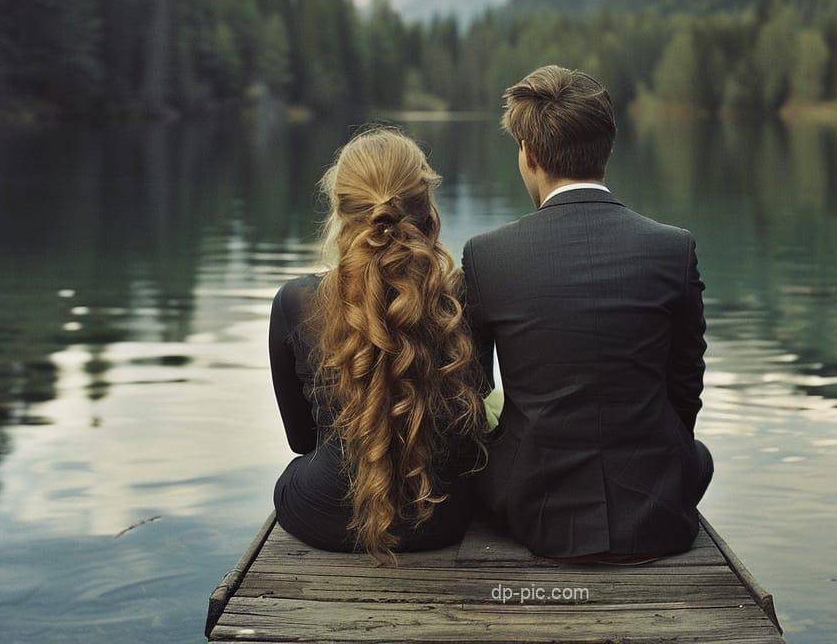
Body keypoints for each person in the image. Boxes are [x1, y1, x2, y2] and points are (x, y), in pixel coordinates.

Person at [461, 64, 714, 561]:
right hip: (657, 512)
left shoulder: (487, 256)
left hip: (535, 511)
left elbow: (471, 390)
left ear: (529, 156)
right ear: (607, 149)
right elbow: (685, 391)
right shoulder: (673, 249)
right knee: (698, 458)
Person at [267, 126, 491, 561]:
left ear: (340, 213)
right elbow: (473, 412)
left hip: (329, 513)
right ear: (427, 212)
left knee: (295, 472)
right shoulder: (463, 297)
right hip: (443, 515)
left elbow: (301, 439)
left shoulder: (296, 301)